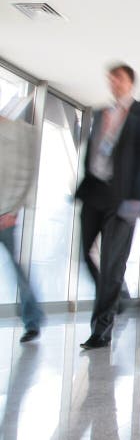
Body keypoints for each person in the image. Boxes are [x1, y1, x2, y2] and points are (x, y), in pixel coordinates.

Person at [77, 64, 140, 350]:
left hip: (125, 199)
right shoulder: (100, 114)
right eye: (110, 77)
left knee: (111, 264)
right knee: (84, 254)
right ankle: (117, 297)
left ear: (130, 82)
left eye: (118, 77)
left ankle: (101, 330)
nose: (112, 81)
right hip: (95, 192)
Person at [0, 115, 43, 343]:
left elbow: (27, 174)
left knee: (17, 270)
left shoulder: (19, 132)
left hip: (5, 213)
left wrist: (14, 210)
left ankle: (33, 319)